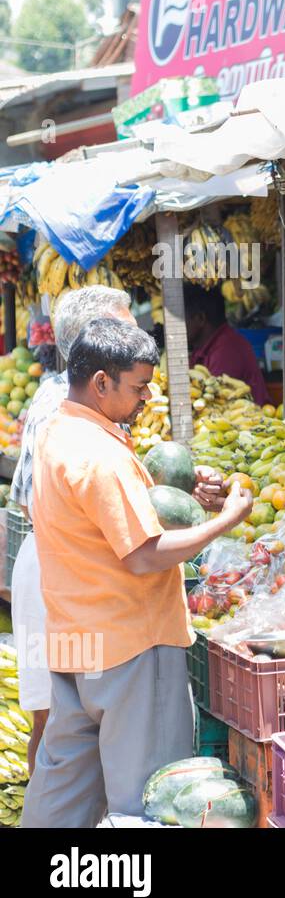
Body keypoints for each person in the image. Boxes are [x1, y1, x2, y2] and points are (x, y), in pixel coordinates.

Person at [22, 320, 253, 828]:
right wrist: (224, 522)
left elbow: (112, 524)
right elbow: (145, 554)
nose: (147, 396)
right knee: (149, 799)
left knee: (64, 791)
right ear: (101, 382)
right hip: (130, 645)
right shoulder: (100, 454)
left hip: (76, 642)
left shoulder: (59, 431)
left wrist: (190, 501)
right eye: (138, 386)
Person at [9, 287, 136, 777]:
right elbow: (47, 507)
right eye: (121, 329)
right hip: (53, 578)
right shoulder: (60, 406)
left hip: (67, 575)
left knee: (76, 721)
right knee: (57, 723)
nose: (135, 338)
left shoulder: (88, 400)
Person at [184, 283, 270, 405]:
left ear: (200, 319)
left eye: (181, 320)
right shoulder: (202, 346)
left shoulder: (226, 351)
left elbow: (213, 401)